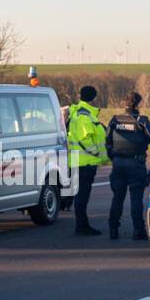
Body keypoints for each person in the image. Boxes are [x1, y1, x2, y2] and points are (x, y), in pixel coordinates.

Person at [105, 91, 150, 240]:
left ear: (125, 103)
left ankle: (113, 229)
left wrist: (113, 157)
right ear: (138, 104)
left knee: (117, 197)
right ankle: (138, 230)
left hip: (118, 163)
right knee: (136, 198)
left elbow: (107, 140)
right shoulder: (142, 120)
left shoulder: (115, 120)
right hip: (136, 163)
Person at [66, 85, 107, 235]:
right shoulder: (84, 114)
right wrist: (97, 153)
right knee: (82, 196)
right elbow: (86, 139)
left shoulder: (78, 112)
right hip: (85, 162)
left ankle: (82, 224)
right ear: (93, 98)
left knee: (80, 195)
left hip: (78, 161)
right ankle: (82, 226)